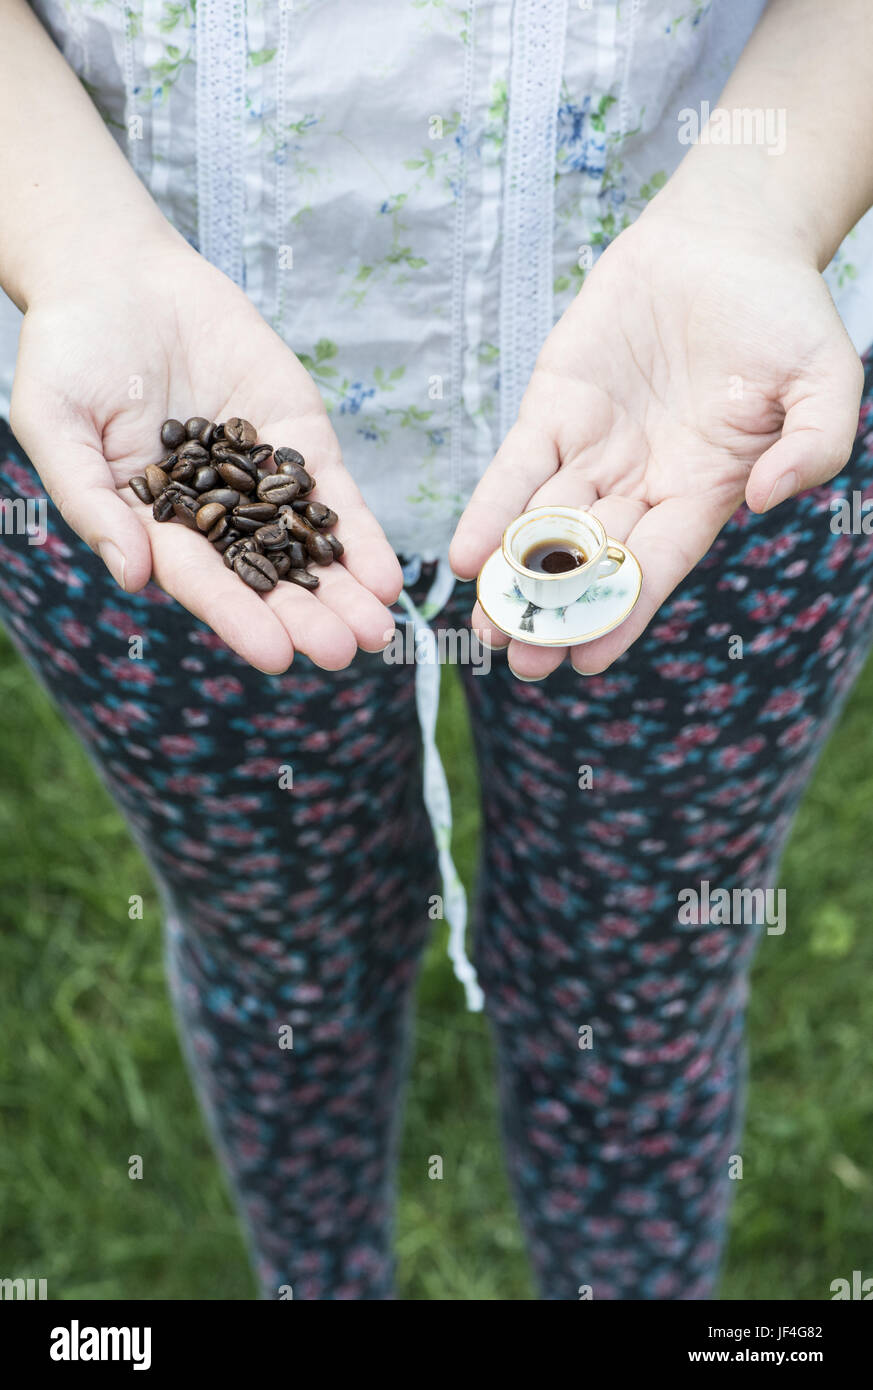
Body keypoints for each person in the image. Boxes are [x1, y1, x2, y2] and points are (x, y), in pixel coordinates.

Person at [1, 0, 871, 1300]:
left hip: (705, 424)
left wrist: (761, 205)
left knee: (638, 999)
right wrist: (73, 244)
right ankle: (321, 1278)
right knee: (280, 968)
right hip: (136, 416)